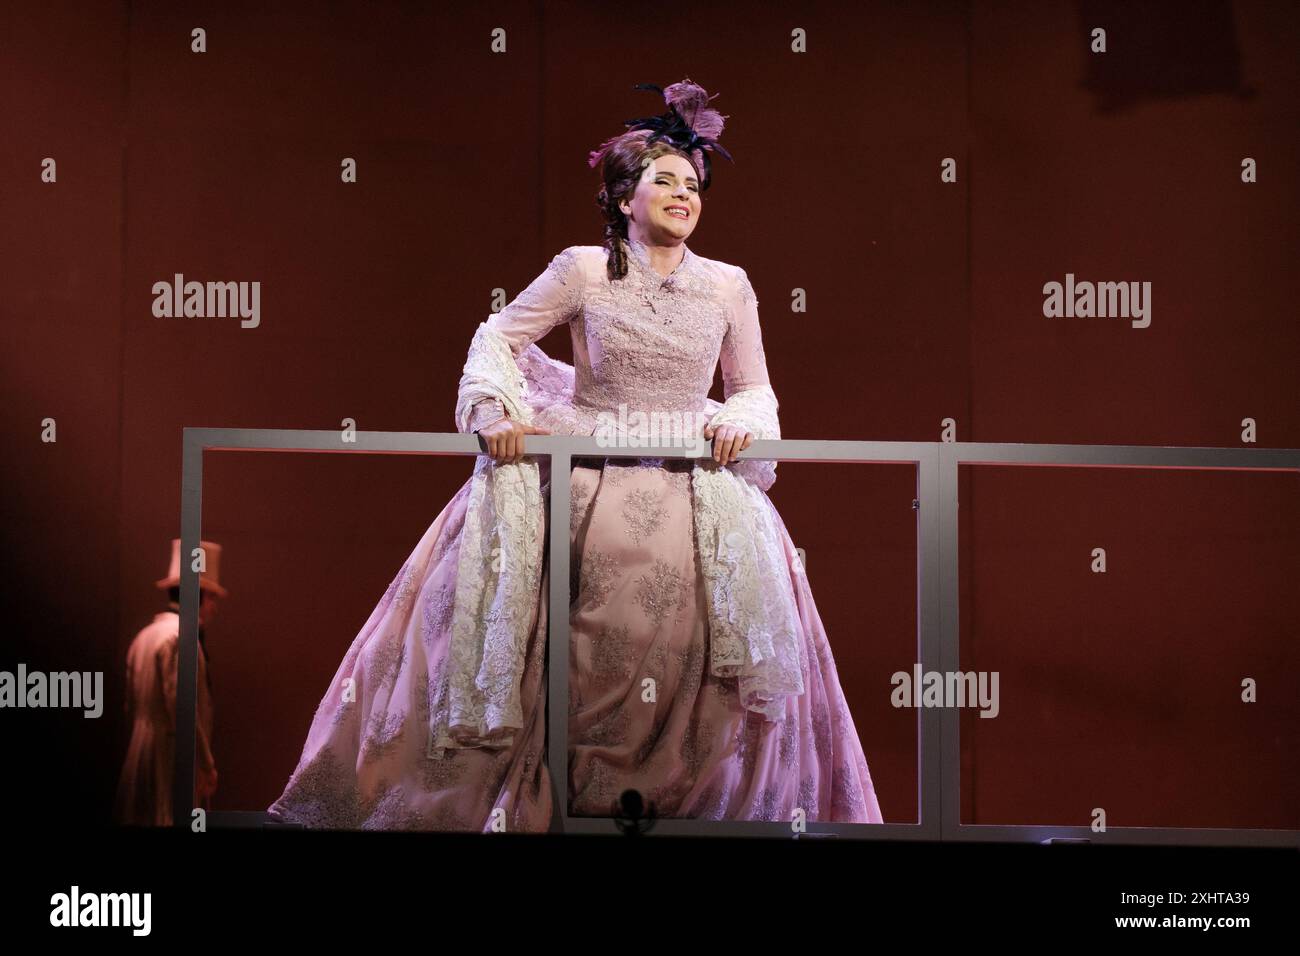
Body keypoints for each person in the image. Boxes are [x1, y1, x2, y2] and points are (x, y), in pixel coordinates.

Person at [268, 78, 884, 831]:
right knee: (569, 644)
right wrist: (491, 405)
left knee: (703, 657)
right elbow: (498, 338)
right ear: (626, 196)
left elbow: (752, 386)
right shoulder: (582, 269)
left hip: (695, 476)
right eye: (666, 181)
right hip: (587, 467)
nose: (685, 195)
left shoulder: (729, 285)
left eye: (694, 184)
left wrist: (747, 422)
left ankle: (696, 806)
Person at [114, 538, 222, 825]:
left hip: (140, 751)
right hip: (169, 756)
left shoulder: (145, 636)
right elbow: (183, 709)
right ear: (198, 595)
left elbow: (130, 706)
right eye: (211, 598)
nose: (214, 608)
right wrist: (205, 764)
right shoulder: (179, 638)